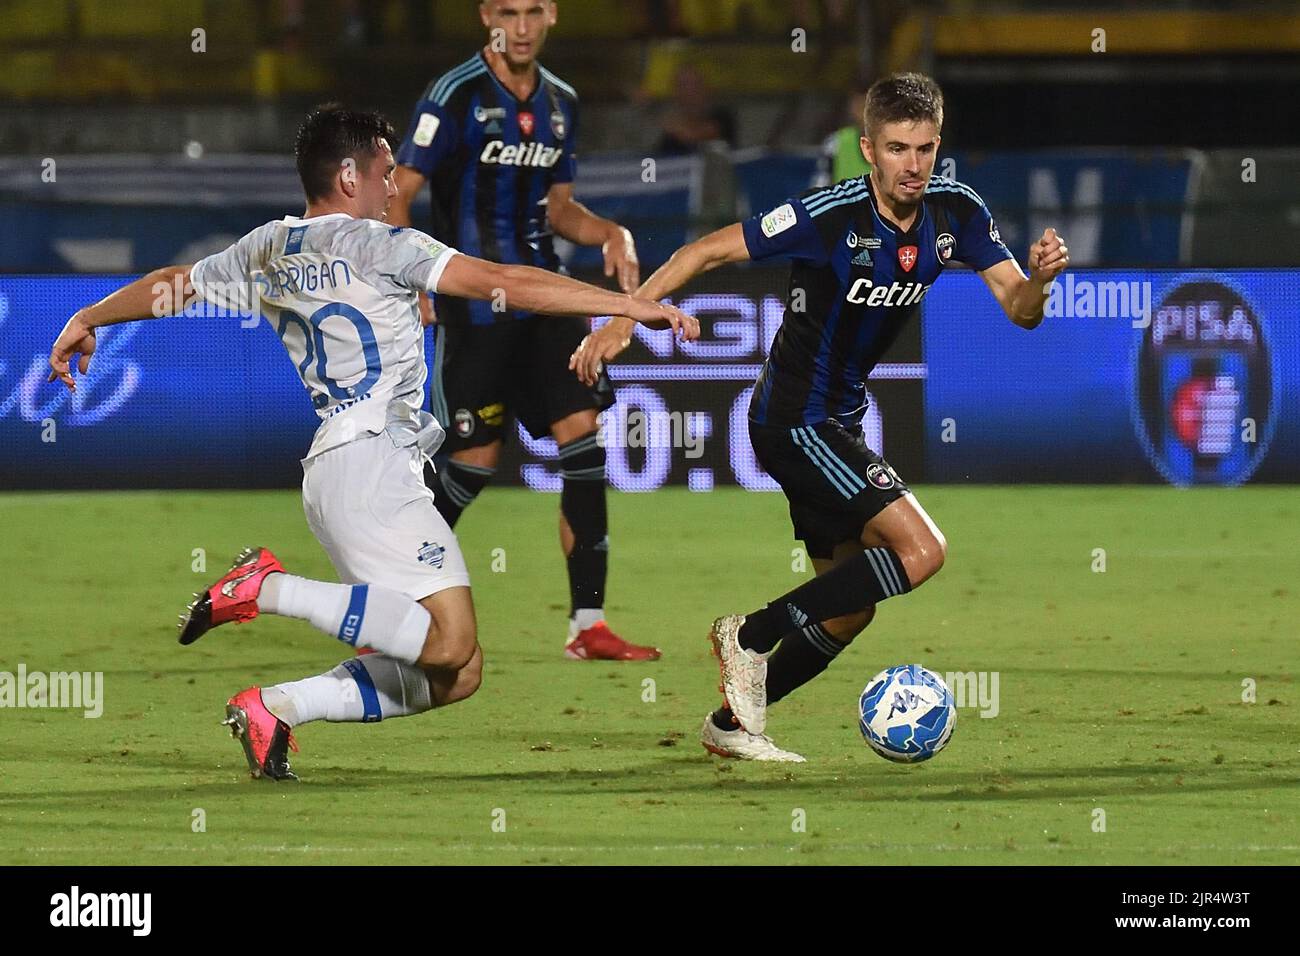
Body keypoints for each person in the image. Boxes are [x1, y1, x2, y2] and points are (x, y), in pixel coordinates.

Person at [46, 105, 696, 781]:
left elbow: (170, 288)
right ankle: (266, 590)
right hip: (370, 465)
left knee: (458, 672)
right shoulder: (385, 246)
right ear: (350, 174)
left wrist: (89, 316)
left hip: (338, 469)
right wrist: (623, 304)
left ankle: (276, 706)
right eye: (387, 173)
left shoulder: (268, 247)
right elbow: (504, 283)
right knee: (452, 643)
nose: (394, 190)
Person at [572, 73, 1069, 761]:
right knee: (922, 552)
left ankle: (731, 724)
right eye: (897, 149)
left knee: (847, 608)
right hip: (795, 419)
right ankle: (747, 635)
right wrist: (626, 320)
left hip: (839, 419)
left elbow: (1019, 309)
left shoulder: (957, 212)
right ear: (869, 148)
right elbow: (705, 250)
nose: (913, 165)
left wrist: (1039, 281)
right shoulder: (829, 216)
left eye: (925, 149)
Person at [388, 0, 662, 661]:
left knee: (583, 439)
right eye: (508, 10)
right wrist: (415, 276)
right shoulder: (454, 94)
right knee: (472, 464)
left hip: (546, 301)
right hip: (476, 305)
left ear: (553, 15)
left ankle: (587, 624)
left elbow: (561, 210)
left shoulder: (563, 102)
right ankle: (390, 583)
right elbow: (398, 189)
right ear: (487, 14)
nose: (521, 24)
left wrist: (612, 233)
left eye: (533, 9)